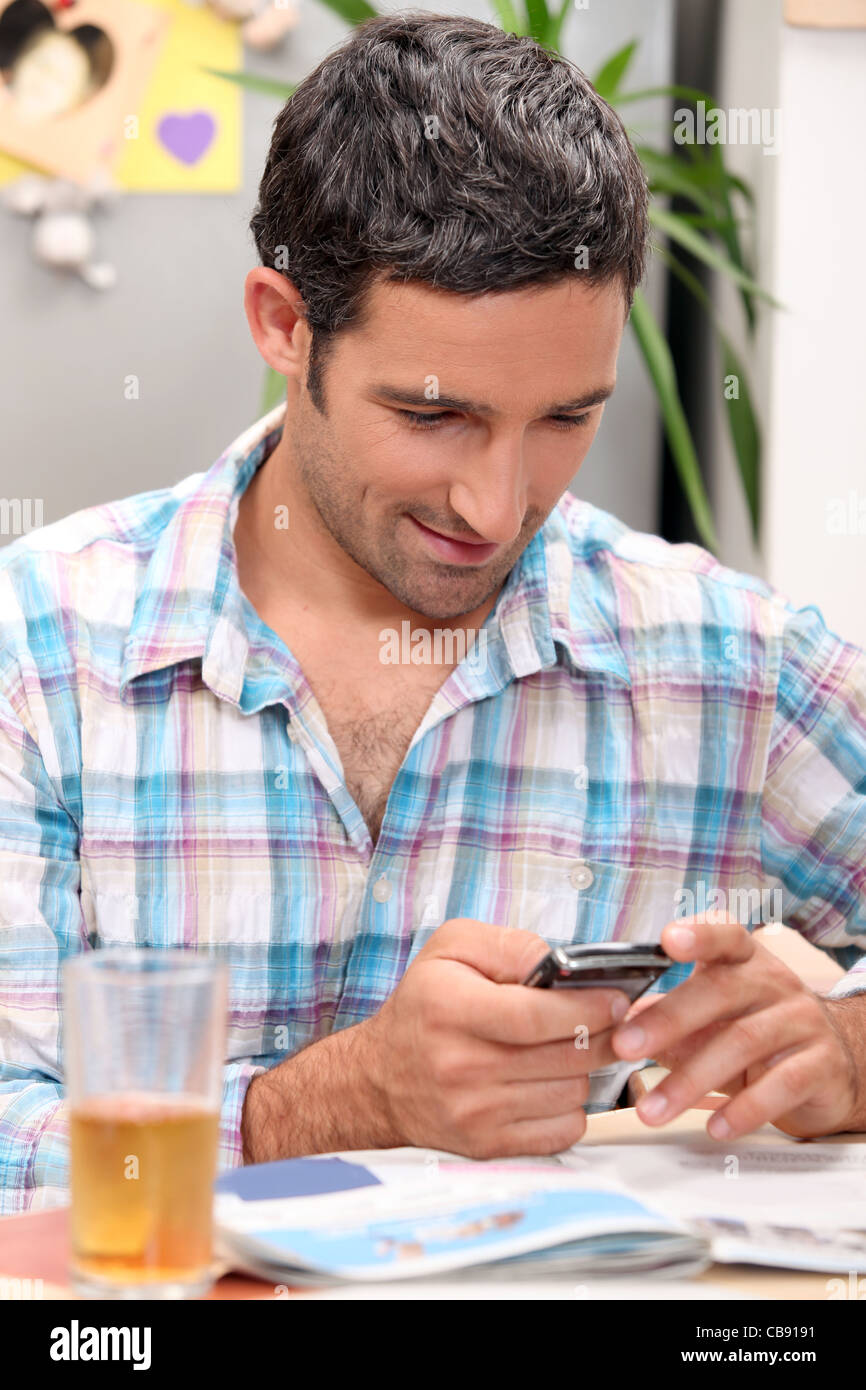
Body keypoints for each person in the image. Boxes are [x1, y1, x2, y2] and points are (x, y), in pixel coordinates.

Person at [1, 13, 864, 1215]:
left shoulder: (723, 661)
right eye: (434, 413)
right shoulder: (36, 653)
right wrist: (336, 1103)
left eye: (565, 417)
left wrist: (844, 1049)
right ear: (281, 323)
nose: (497, 502)